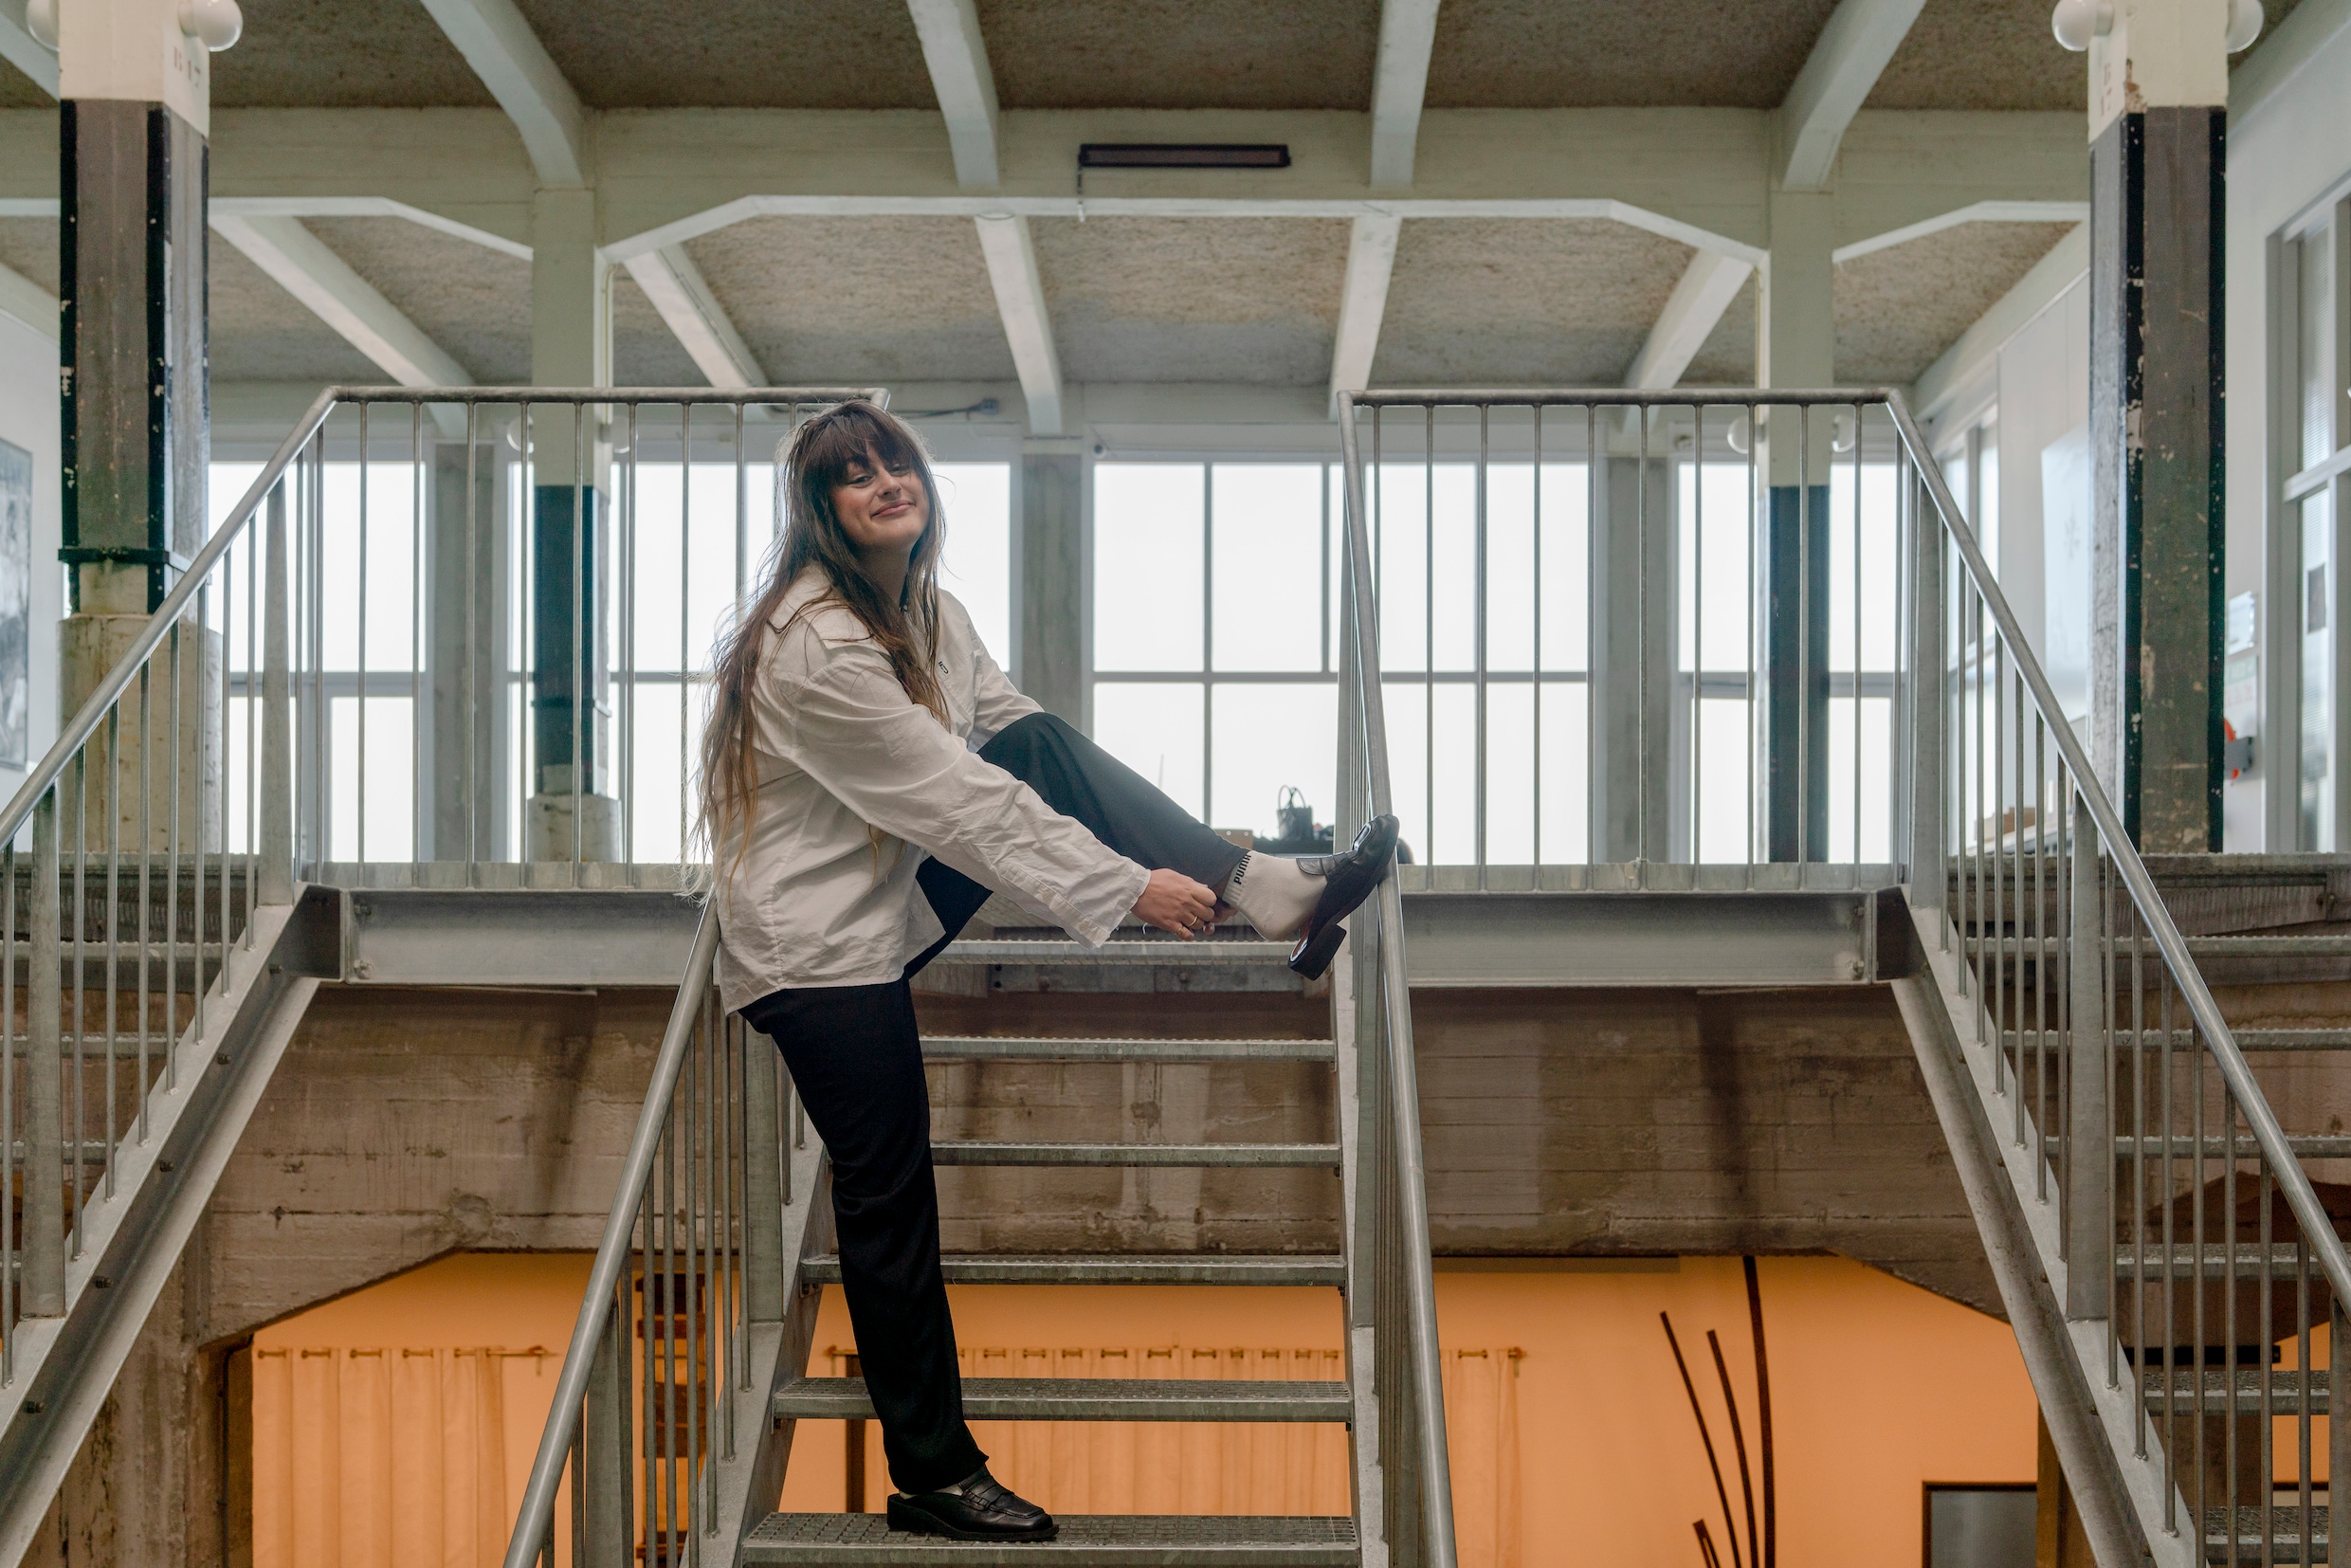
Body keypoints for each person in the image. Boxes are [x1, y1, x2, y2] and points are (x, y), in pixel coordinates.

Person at [697, 400, 1396, 1542]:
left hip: (879, 902)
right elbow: (953, 797)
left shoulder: (927, 609)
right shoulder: (812, 642)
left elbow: (1013, 741)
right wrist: (1126, 888)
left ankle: (1268, 891)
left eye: (896, 464)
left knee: (1040, 740)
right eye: (852, 476)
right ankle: (931, 1471)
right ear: (821, 513)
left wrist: (1173, 863)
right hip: (811, 950)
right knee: (887, 1190)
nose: (885, 484)